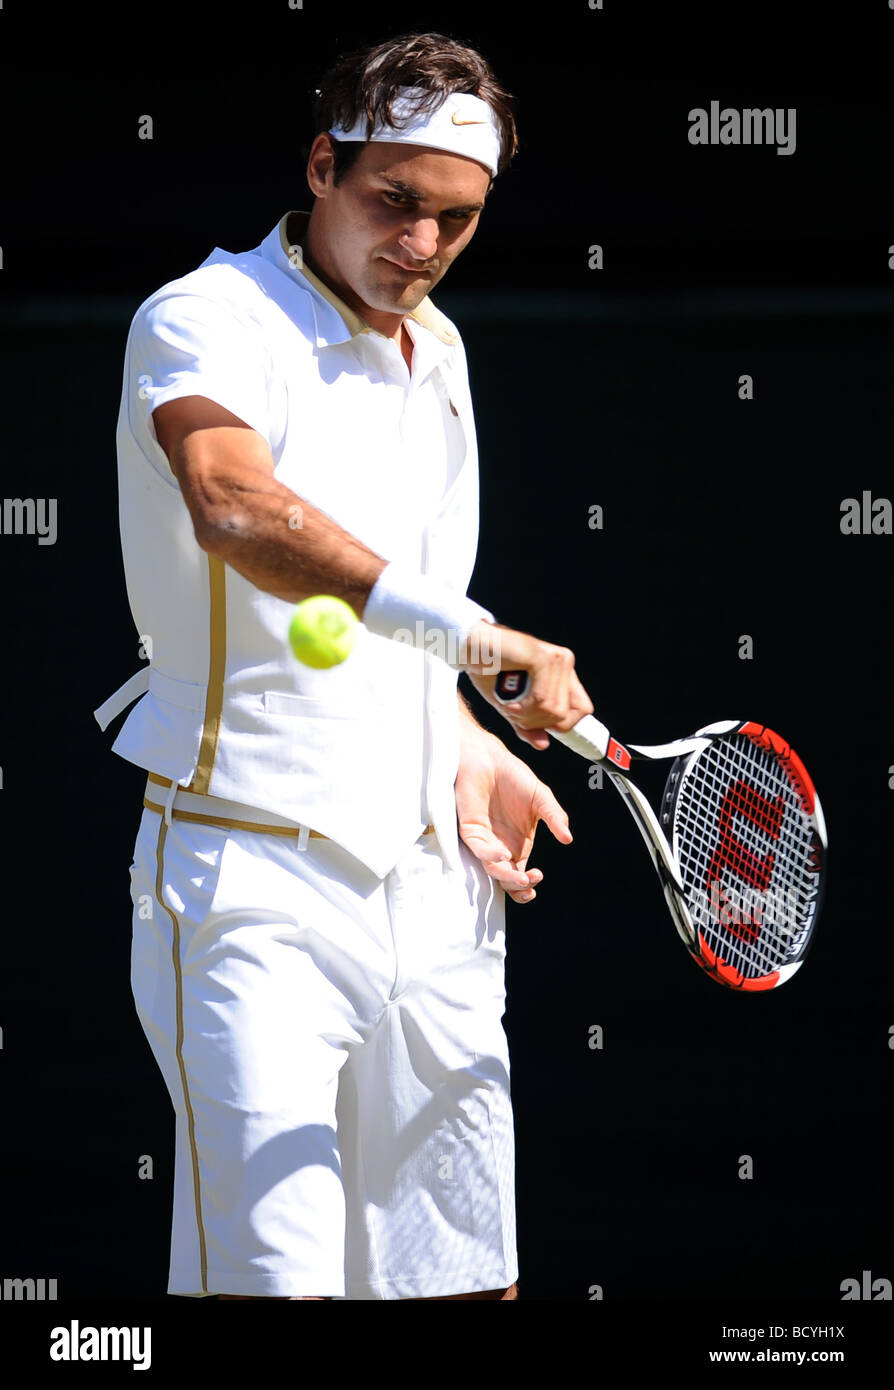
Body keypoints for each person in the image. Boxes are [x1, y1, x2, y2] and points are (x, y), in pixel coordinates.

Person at [94, 30, 594, 1301]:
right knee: (276, 1288)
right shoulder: (205, 318)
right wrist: (474, 640)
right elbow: (232, 507)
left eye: (457, 219)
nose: (421, 244)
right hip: (248, 878)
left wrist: (463, 738)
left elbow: (393, 624)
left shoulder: (444, 353)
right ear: (322, 165)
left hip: (434, 888)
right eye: (394, 201)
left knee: (463, 1283)